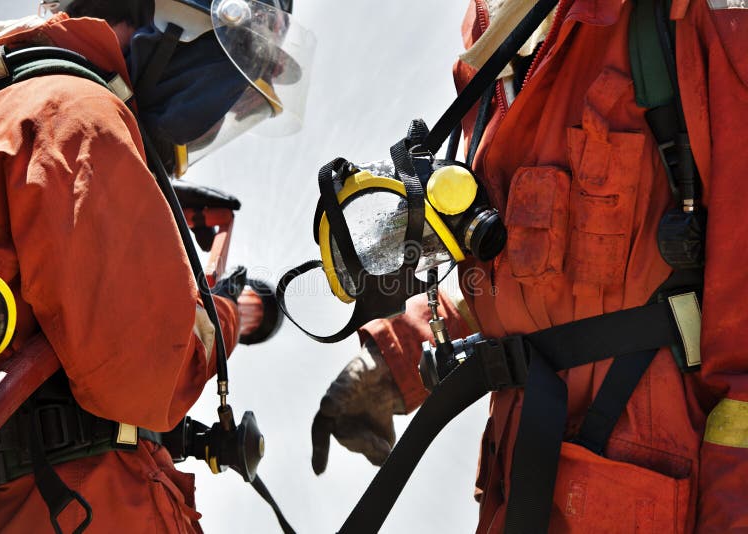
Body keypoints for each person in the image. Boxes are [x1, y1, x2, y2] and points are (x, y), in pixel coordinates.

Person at [312, 0, 748, 531]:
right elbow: (524, 268)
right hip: (521, 493)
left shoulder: (693, 17)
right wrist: (397, 363)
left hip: (650, 493)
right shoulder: (492, 45)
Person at [0, 0, 311, 532]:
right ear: (173, 24)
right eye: (233, 77)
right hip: (75, 507)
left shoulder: (5, 96)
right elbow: (148, 369)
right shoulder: (76, 113)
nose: (220, 120)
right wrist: (234, 311)